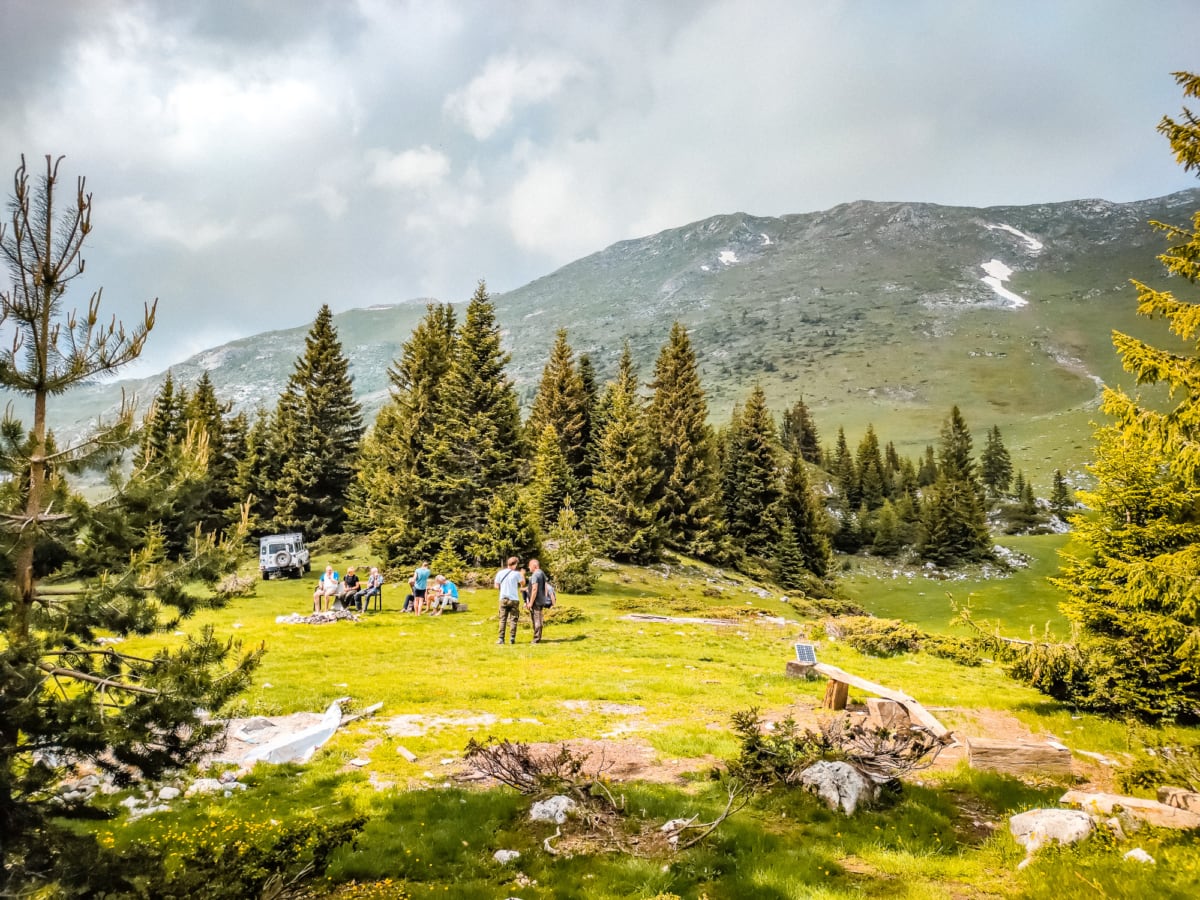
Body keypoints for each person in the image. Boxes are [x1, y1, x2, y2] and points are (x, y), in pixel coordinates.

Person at [493, 556, 524, 644]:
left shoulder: (500, 573)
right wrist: (522, 574)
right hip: (514, 599)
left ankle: (501, 639)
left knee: (502, 619)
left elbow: (496, 586)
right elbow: (522, 583)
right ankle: (512, 638)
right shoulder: (517, 574)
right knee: (513, 619)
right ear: (515, 564)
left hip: (503, 598)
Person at [526, 558, 548, 643]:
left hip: (536, 601)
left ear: (534, 566)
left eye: (530, 566)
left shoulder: (535, 575)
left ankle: (536, 638)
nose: (529, 568)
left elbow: (534, 589)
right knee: (537, 618)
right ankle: (537, 637)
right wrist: (545, 596)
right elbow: (545, 586)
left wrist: (530, 603)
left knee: (537, 619)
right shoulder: (542, 573)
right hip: (541, 599)